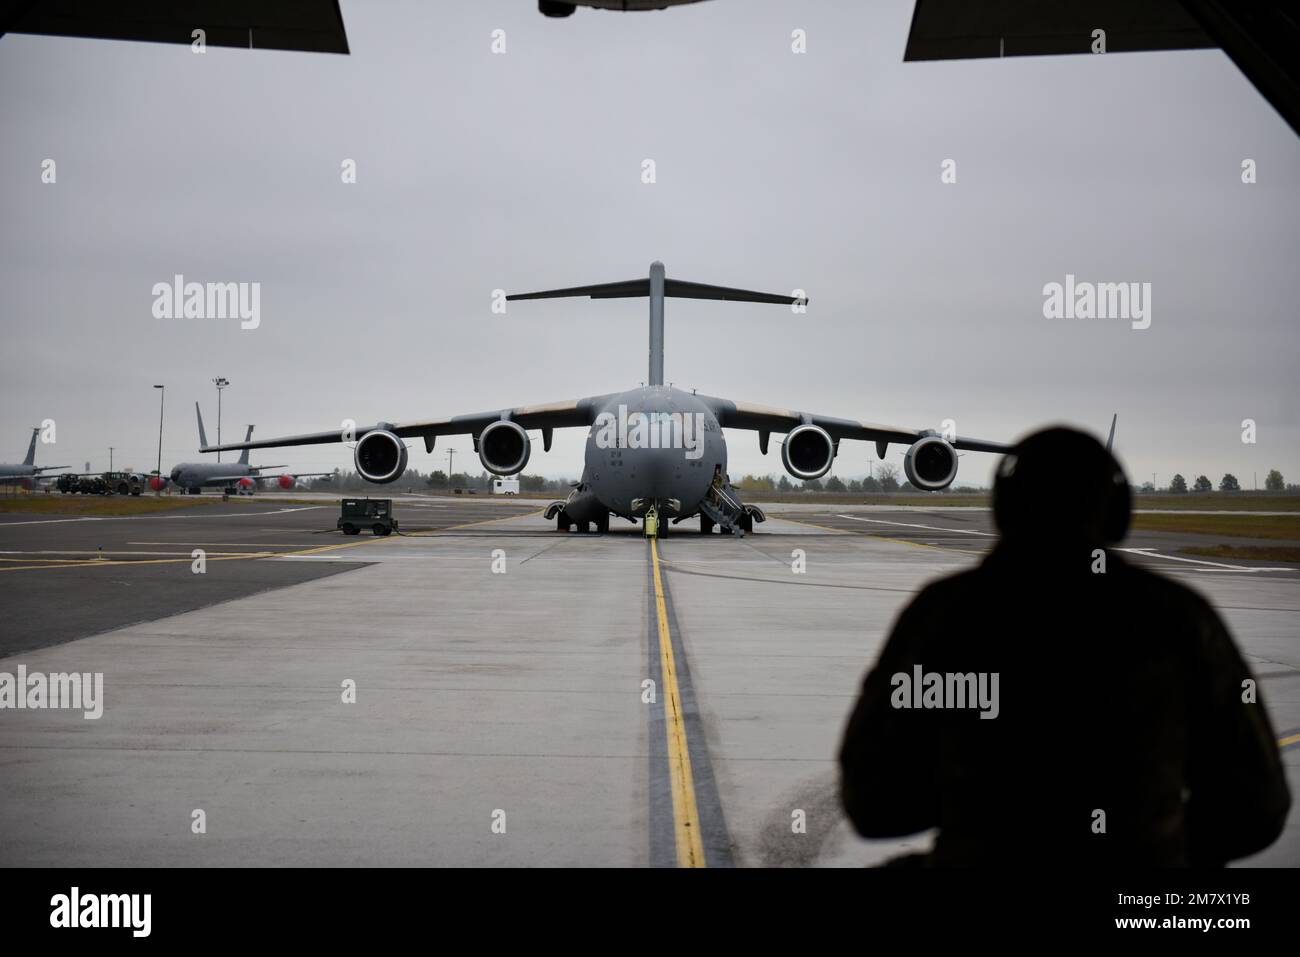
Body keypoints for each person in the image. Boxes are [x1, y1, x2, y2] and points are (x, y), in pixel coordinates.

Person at [838, 427, 1290, 866]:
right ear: (1116, 512)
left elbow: (871, 805)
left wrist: (987, 814)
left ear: (1003, 509)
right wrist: (1157, 845)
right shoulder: (1178, 619)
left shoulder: (945, 616)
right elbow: (1259, 807)